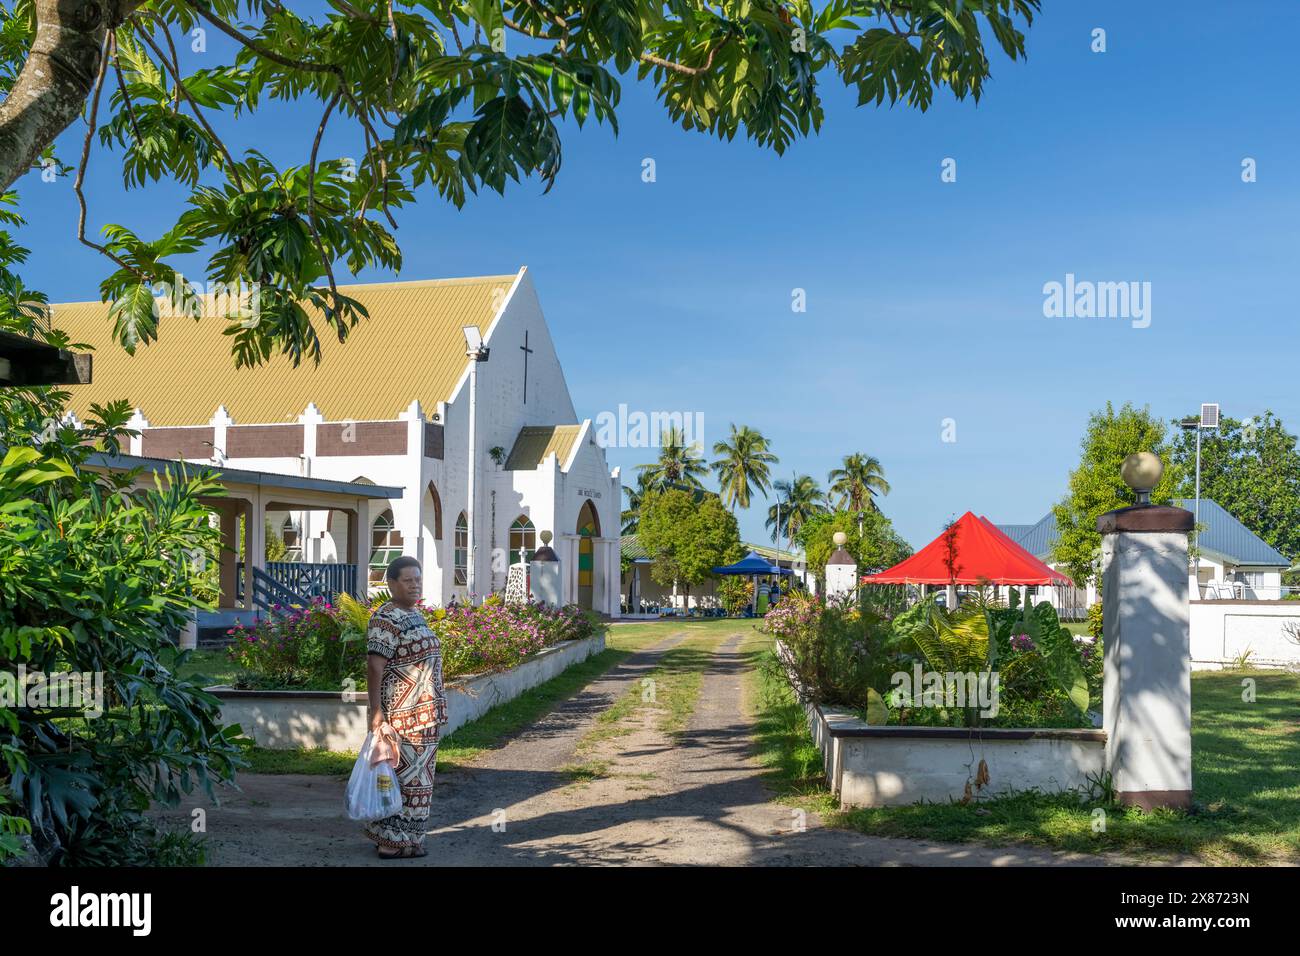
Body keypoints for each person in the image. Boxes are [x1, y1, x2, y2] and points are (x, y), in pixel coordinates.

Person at [364, 556, 447, 859]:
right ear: (392, 584)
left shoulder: (415, 614)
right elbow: (375, 666)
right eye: (409, 580)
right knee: (399, 780)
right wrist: (376, 713)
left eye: (418, 579)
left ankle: (409, 841)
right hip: (401, 718)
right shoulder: (385, 618)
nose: (415, 585)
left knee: (420, 782)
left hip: (425, 716)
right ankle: (390, 841)